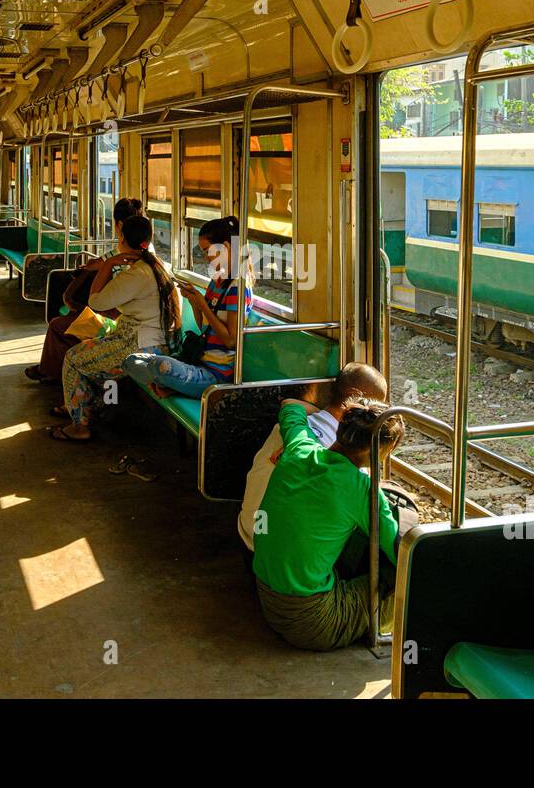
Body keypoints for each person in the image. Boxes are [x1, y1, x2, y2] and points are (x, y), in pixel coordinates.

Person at [252, 399, 408, 652]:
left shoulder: (300, 446)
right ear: (379, 452)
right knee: (397, 576)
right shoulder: (363, 490)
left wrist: (319, 411)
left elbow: (290, 405)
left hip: (266, 598)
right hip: (313, 623)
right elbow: (402, 557)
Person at [49, 214, 180, 442]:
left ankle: (80, 425)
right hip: (159, 342)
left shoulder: (136, 274)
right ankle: (86, 409)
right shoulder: (160, 267)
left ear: (122, 239)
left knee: (73, 358)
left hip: (140, 346)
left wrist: (108, 264)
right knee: (90, 356)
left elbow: (96, 301)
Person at [238, 362, 390, 553]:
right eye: (374, 407)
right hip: (282, 554)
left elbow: (290, 403)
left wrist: (319, 412)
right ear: (357, 403)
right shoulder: (346, 455)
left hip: (248, 532)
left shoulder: (291, 426)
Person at [122, 215, 252, 399]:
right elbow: (204, 328)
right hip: (197, 361)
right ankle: (169, 384)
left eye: (208, 251)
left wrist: (203, 305)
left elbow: (231, 340)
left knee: (161, 366)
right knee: (131, 361)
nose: (206, 258)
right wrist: (194, 302)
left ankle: (168, 382)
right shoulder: (216, 283)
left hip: (216, 376)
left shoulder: (238, 288)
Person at [24, 197, 145, 385]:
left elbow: (100, 300)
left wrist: (100, 269)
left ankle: (52, 373)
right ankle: (51, 370)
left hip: (121, 322)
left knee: (59, 325)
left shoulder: (125, 259)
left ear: (120, 226)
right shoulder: (140, 255)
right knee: (66, 319)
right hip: (129, 319)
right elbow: (97, 265)